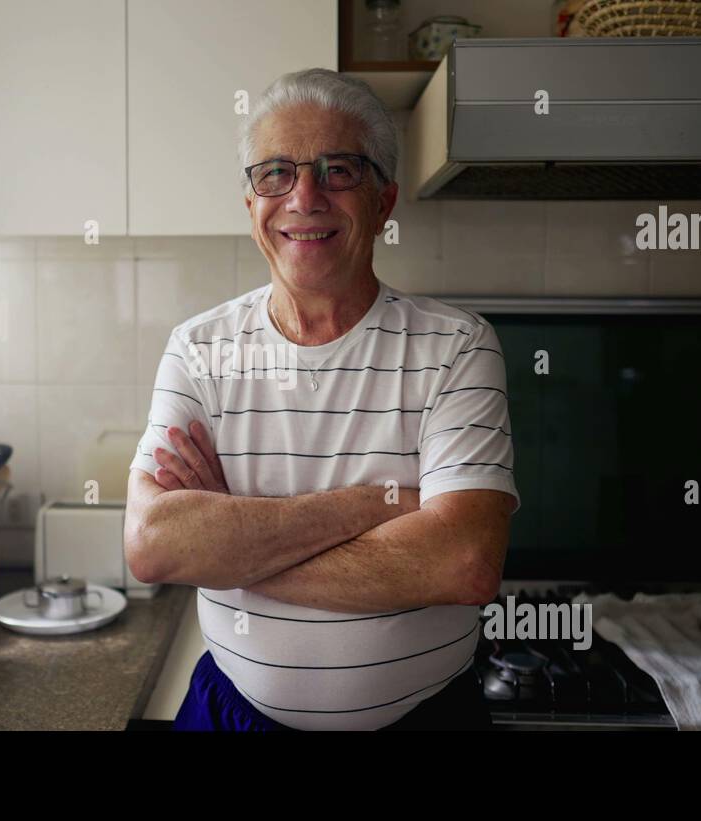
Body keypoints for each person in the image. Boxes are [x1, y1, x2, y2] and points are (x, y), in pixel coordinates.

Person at [123, 68, 519, 731]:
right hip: (233, 718)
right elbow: (153, 546)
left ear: (384, 201)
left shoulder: (458, 347)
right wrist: (370, 505)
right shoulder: (198, 348)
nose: (304, 196)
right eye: (275, 172)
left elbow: (465, 562)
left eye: (339, 170)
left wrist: (230, 547)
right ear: (251, 204)